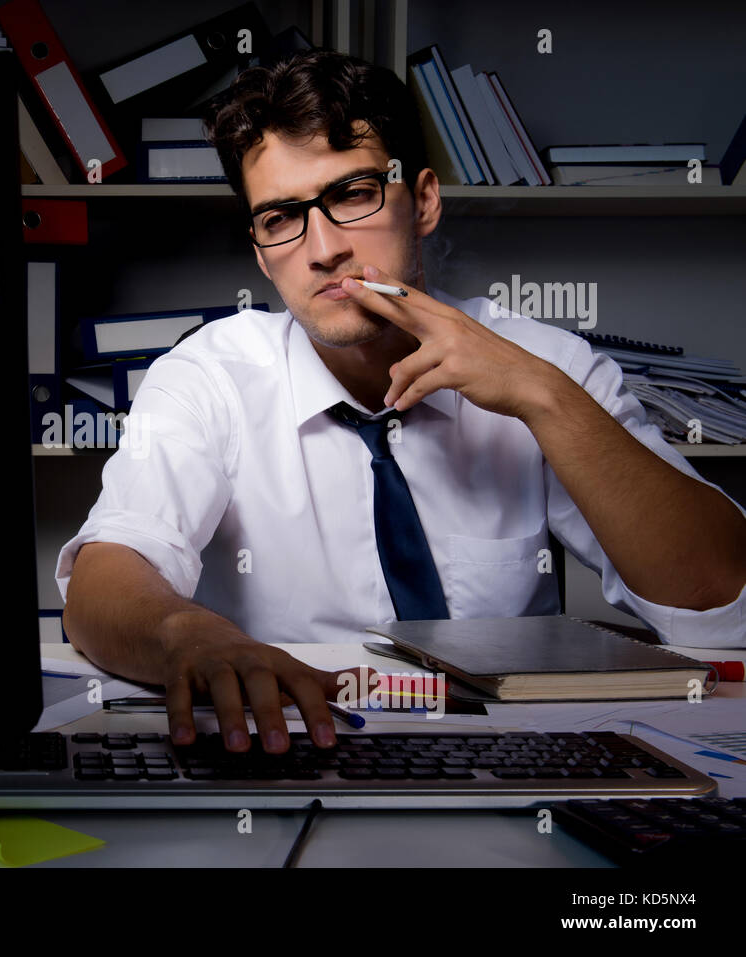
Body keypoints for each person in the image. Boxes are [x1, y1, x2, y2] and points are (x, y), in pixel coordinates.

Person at [55, 51, 746, 756]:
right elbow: (106, 577)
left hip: (515, 766)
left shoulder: (548, 364)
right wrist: (189, 636)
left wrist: (546, 399)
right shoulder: (210, 376)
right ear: (261, 251)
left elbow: (721, 606)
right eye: (281, 217)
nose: (322, 249)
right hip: (296, 754)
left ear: (422, 200)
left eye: (353, 194)